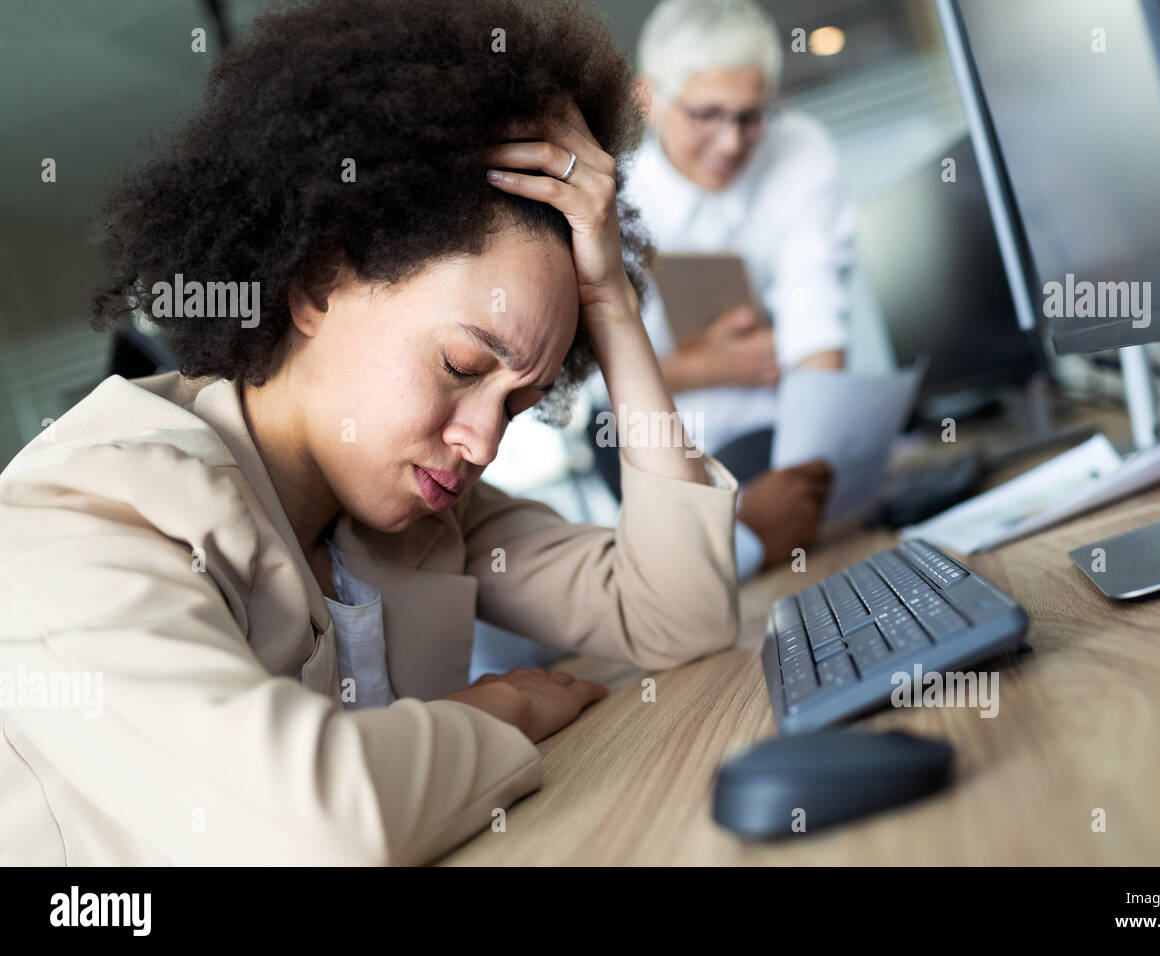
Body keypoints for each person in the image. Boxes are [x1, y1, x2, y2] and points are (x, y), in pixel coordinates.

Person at [0, 0, 741, 866]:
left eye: (517, 402)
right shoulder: (79, 521)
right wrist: (500, 714)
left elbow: (680, 615)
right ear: (317, 283)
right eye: (465, 367)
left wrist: (612, 299)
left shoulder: (418, 512)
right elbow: (314, 826)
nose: (483, 441)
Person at [588, 0, 851, 579]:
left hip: (771, 425)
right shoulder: (614, 196)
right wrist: (713, 365)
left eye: (751, 116)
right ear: (648, 100)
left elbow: (818, 325)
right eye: (706, 115)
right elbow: (595, 387)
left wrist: (813, 459)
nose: (731, 142)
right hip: (659, 439)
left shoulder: (799, 149)